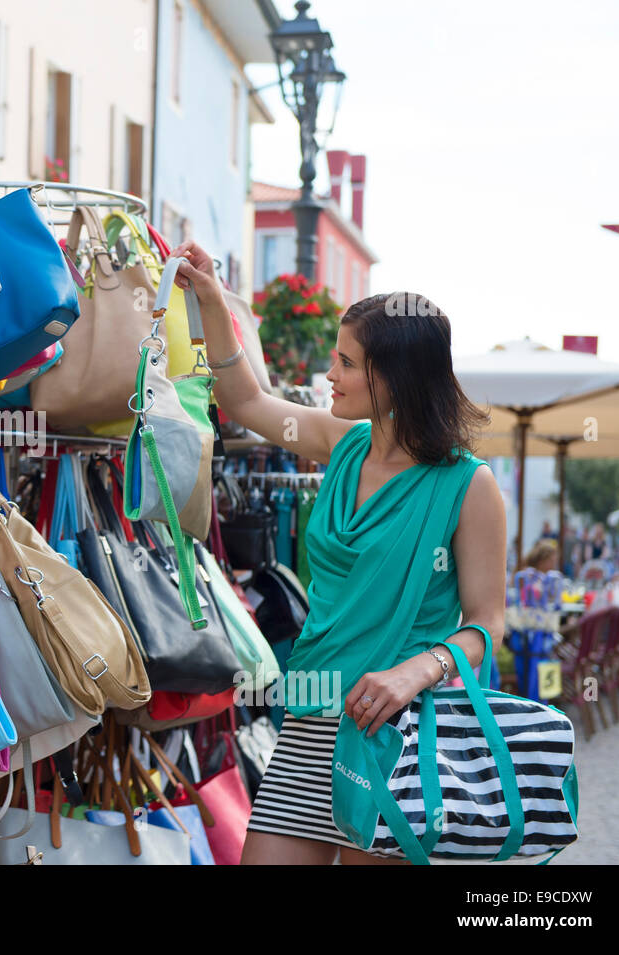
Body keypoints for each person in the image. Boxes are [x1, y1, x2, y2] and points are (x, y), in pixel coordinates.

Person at [171, 243, 506, 866]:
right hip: (310, 714)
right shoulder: (342, 443)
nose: (331, 375)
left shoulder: (469, 486)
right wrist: (213, 301)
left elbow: (488, 624)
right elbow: (244, 403)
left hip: (396, 729)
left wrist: (417, 671)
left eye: (347, 364)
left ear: (396, 377)